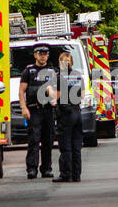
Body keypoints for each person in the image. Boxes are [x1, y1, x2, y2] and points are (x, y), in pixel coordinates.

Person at [18, 44, 56, 179]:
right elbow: (21, 92)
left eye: (45, 54)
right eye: (40, 54)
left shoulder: (52, 71)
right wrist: (24, 107)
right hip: (34, 109)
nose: (43, 56)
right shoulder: (29, 71)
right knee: (34, 140)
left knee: (48, 140)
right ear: (35, 55)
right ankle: (32, 169)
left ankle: (46, 168)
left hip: (48, 110)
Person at [53, 49, 83, 182]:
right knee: (76, 146)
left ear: (61, 62)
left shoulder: (59, 77)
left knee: (65, 146)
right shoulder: (77, 75)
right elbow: (82, 95)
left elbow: (56, 96)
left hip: (66, 114)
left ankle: (66, 174)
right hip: (77, 112)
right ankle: (77, 175)